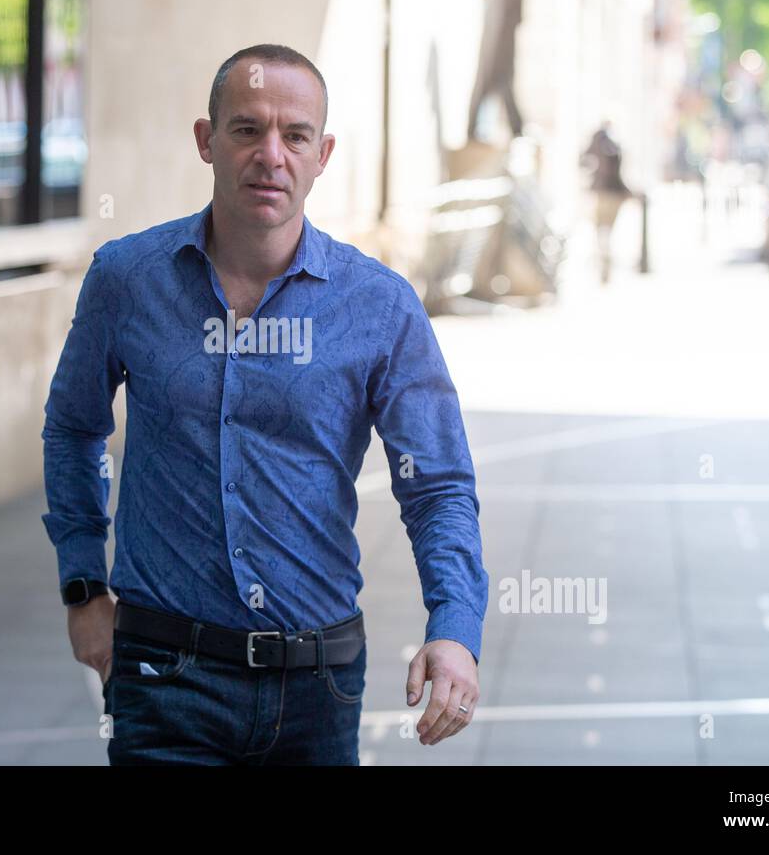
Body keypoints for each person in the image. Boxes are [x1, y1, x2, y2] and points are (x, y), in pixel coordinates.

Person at [42, 43, 489, 765]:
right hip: (165, 674)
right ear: (206, 141)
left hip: (318, 685)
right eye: (247, 129)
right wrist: (83, 584)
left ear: (323, 154)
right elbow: (73, 430)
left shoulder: (378, 307)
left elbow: (436, 483)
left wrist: (455, 628)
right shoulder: (128, 280)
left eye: (295, 135)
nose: (270, 154)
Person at [580, 121, 631, 284]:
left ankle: (603, 263)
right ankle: (604, 264)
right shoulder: (614, 144)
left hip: (603, 192)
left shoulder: (596, 143)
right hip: (612, 193)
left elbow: (582, 162)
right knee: (606, 232)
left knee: (601, 231)